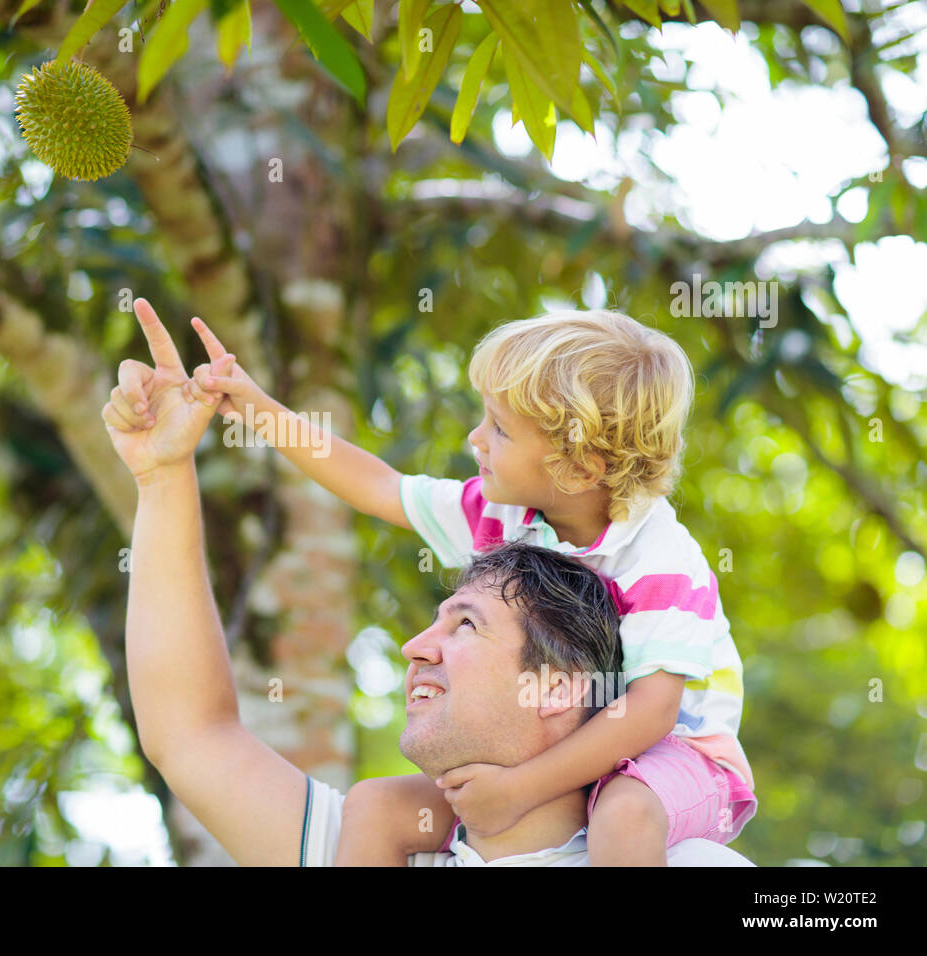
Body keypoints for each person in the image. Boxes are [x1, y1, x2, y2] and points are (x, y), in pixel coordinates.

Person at [102, 297, 753, 866]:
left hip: (680, 758)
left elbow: (650, 712)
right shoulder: (505, 516)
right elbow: (379, 486)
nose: (476, 439)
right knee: (377, 804)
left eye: (499, 428)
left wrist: (522, 790)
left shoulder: (661, 558)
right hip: (567, 780)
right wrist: (250, 411)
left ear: (580, 466)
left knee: (626, 812)